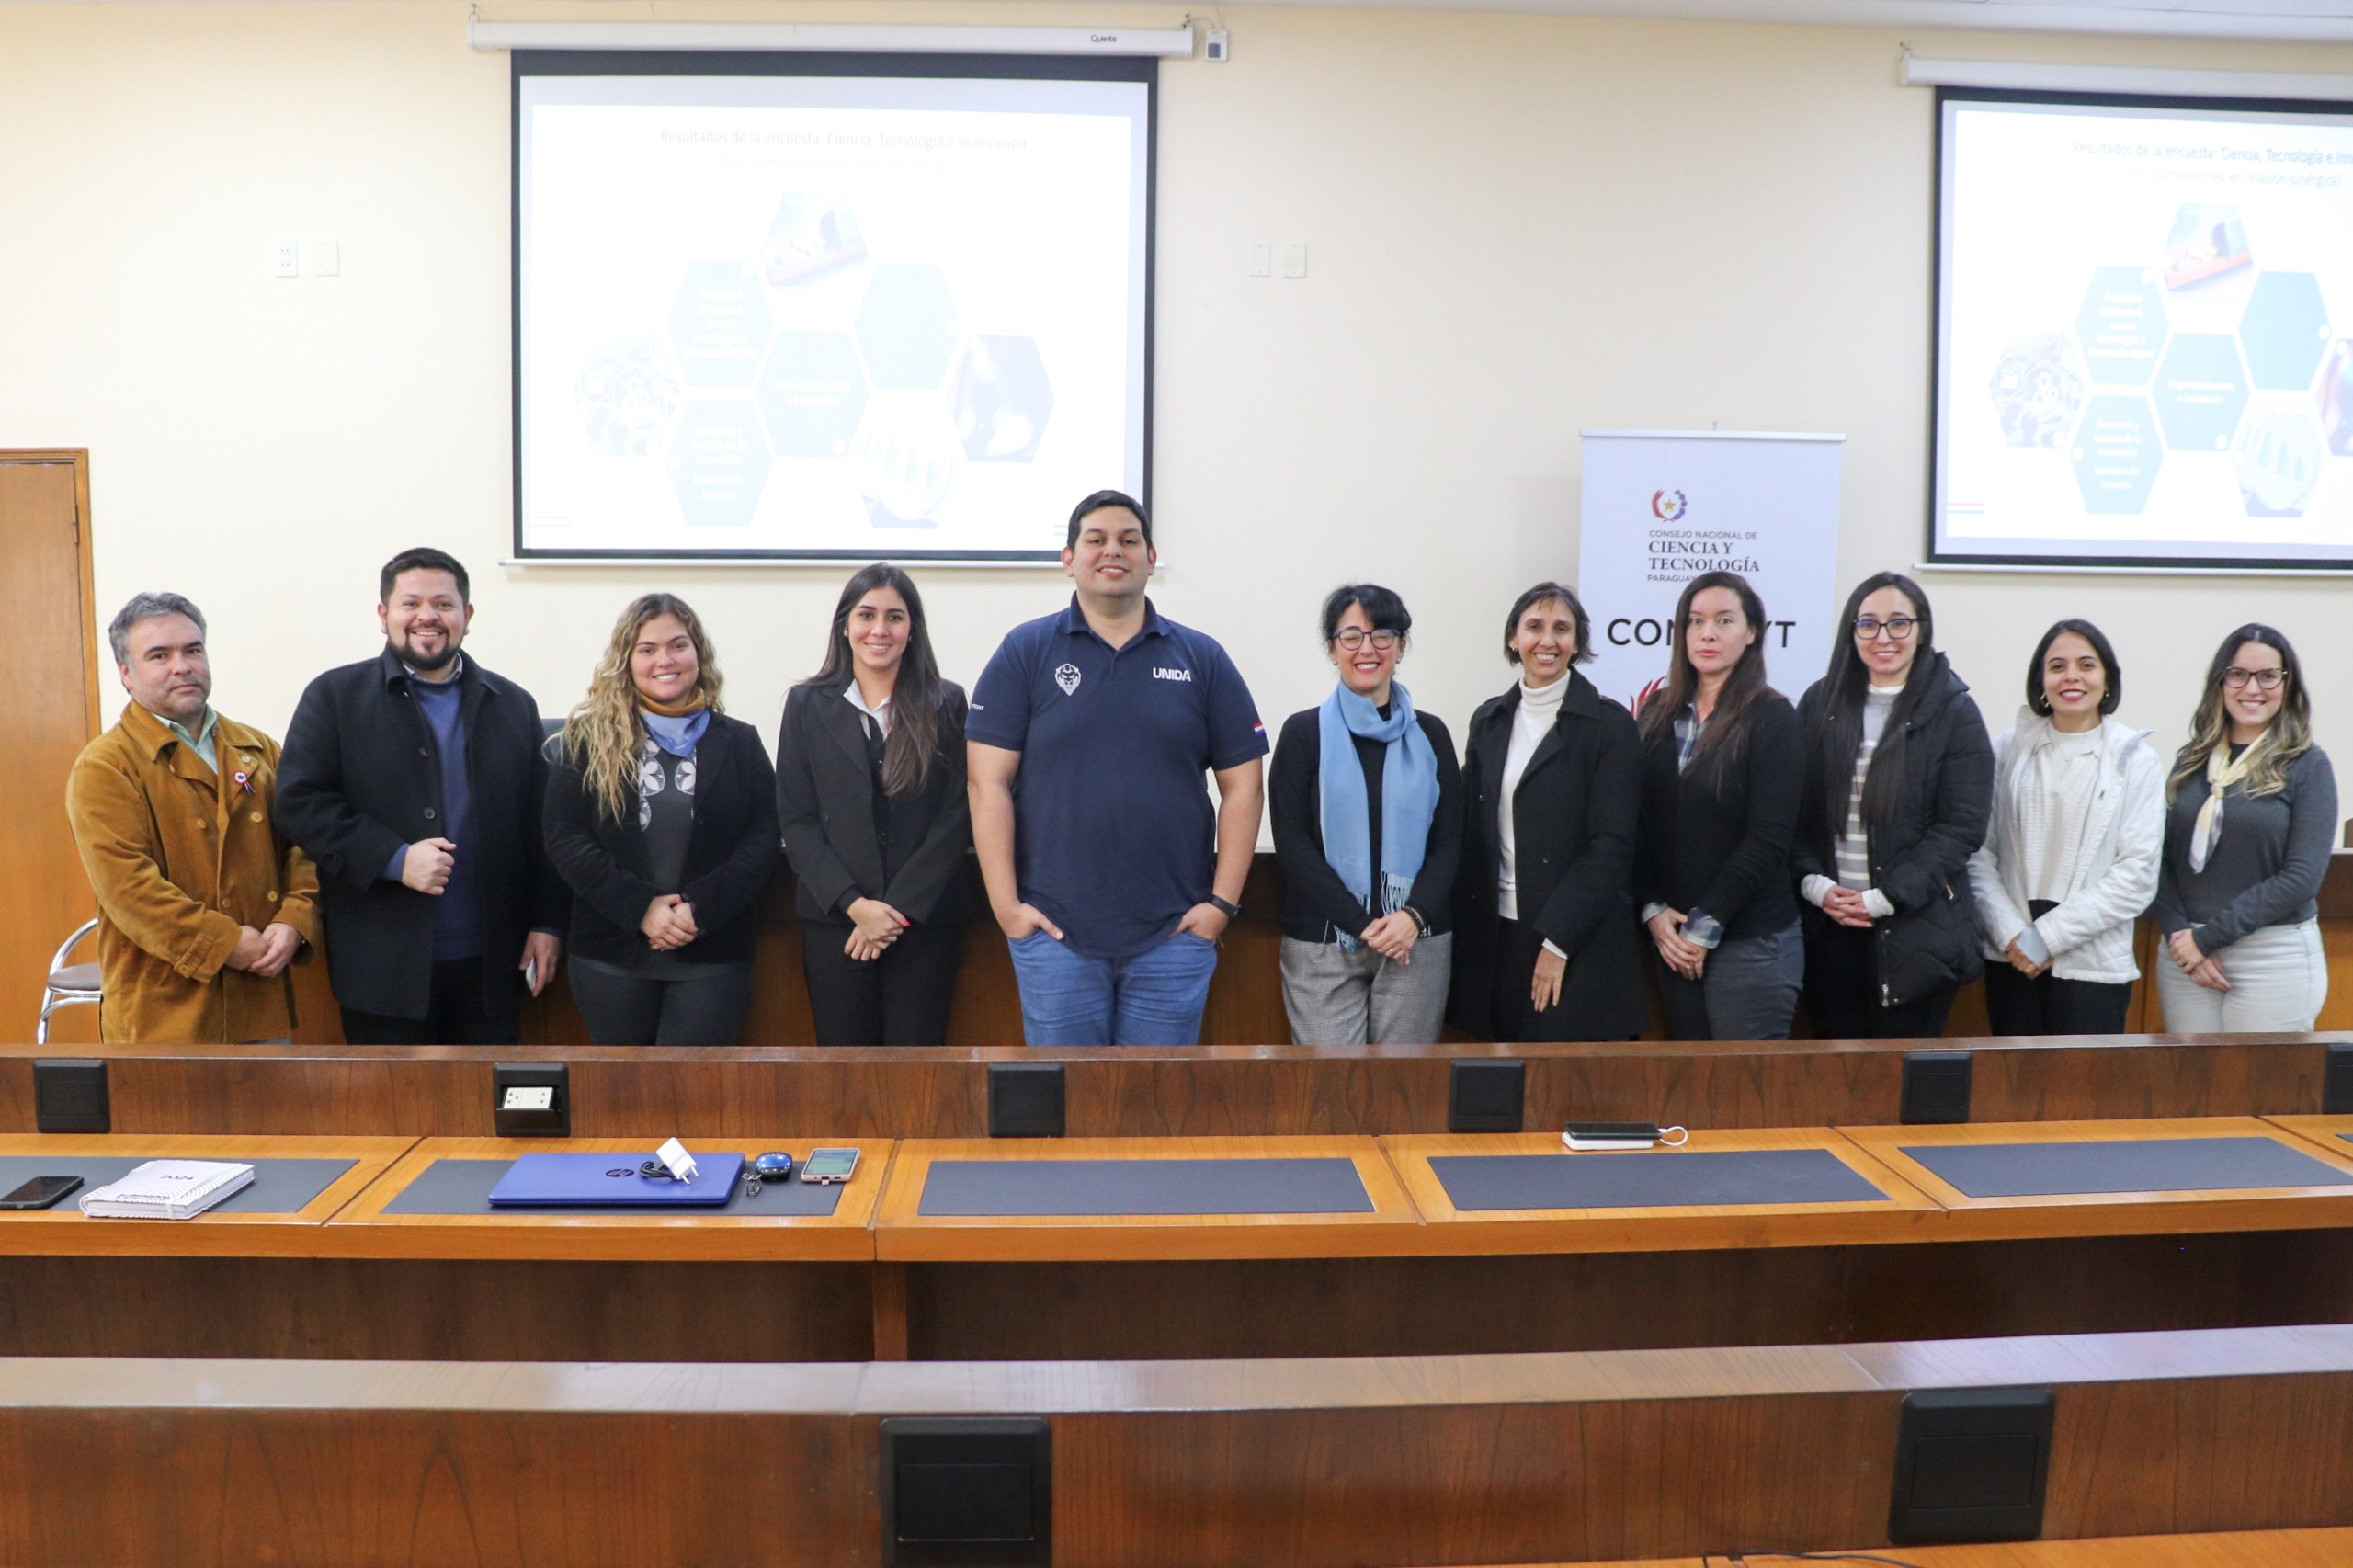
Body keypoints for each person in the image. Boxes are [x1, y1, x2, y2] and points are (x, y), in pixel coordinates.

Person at [967, 490, 1267, 1046]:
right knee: (1064, 1097)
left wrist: (1220, 906)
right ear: (1068, 559)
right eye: (1096, 540)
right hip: (1054, 938)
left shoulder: (1202, 658)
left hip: (1174, 937)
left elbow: (1245, 786)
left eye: (1129, 540)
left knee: (1156, 1098)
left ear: (1150, 558)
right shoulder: (1024, 652)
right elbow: (987, 784)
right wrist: (1007, 909)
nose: (1113, 551)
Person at [277, 547, 568, 1044]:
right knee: (393, 1098)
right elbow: (299, 803)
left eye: (444, 604)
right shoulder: (334, 697)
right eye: (410, 604)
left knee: (485, 1097)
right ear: (383, 615)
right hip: (381, 969)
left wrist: (547, 923)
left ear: (467, 616)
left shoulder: (514, 705)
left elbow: (541, 828)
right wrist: (394, 858)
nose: (427, 616)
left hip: (492, 967)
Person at [65, 593, 319, 1044]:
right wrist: (223, 943)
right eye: (159, 655)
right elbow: (129, 889)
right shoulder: (105, 766)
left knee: (264, 1097)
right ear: (125, 673)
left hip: (260, 1000)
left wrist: (295, 920)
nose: (182, 666)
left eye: (193, 650)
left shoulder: (260, 750)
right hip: (163, 1013)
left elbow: (305, 843)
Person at [542, 595, 777, 1046]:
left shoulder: (740, 742)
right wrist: (641, 909)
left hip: (711, 957)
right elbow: (564, 836)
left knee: (696, 1087)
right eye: (647, 649)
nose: (664, 661)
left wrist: (699, 910)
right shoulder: (587, 740)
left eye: (678, 646)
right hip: (611, 955)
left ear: (698, 655)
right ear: (626, 661)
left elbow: (763, 835)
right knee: (622, 1088)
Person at [776, 564, 977, 1046]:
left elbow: (957, 816)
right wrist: (856, 906)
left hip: (924, 923)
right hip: (837, 924)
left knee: (918, 1069)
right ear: (845, 626)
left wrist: (894, 912)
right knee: (844, 1069)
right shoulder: (806, 705)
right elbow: (796, 820)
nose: (880, 630)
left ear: (912, 629)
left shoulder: (947, 703)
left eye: (895, 617)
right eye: (866, 615)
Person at [1793, 572, 1993, 1040]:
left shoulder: (1954, 711)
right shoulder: (1820, 703)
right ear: (1852, 632)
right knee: (1836, 1074)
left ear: (1921, 630)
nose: (1883, 637)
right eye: (1868, 624)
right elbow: (1793, 813)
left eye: (1898, 623)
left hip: (1916, 932)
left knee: (1901, 1077)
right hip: (1828, 928)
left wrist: (1885, 898)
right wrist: (1814, 884)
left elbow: (1961, 827)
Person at [1449, 583, 1644, 1042]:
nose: (1547, 641)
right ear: (1513, 638)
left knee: (1563, 1079)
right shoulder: (1488, 720)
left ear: (1577, 642)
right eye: (1534, 627)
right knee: (1500, 1079)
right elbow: (1468, 825)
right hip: (1496, 936)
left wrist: (1558, 941)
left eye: (1561, 629)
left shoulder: (1610, 725)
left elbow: (1611, 847)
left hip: (1575, 939)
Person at [1269, 585, 1462, 1045]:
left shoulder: (1432, 735)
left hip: (1416, 939)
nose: (1367, 649)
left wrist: (1412, 917)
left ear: (1401, 646)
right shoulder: (1303, 734)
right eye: (1351, 636)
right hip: (1324, 940)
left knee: (1404, 1084)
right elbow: (1293, 845)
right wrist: (1363, 925)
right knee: (1331, 1084)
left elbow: (1451, 840)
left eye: (1382, 635)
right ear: (1332, 649)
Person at [1633, 571, 1807, 1040]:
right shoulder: (1656, 713)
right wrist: (1652, 911)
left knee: (1743, 1085)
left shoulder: (1774, 718)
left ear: (1752, 633)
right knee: (1691, 1083)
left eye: (1724, 620)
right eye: (1696, 621)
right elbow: (1637, 825)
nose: (1707, 633)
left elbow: (1767, 840)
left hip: (1750, 941)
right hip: (1671, 939)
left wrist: (1701, 928)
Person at [1967, 620, 2162, 1036]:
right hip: (2012, 954)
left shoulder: (2136, 759)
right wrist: (2013, 935)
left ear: (2107, 679)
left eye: (2086, 665)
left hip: (2092, 962)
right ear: (2041, 681)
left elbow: (2137, 875)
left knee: (2083, 1080)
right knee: (2013, 1077)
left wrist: (2047, 938)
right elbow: (1979, 853)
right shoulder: (2008, 749)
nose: (2071, 676)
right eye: (2057, 666)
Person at [2150, 624, 2336, 1033]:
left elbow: (2301, 878)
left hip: (2273, 956)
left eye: (2268, 676)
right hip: (2185, 955)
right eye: (2238, 674)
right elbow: (2157, 859)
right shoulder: (2191, 761)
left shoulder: (2308, 766)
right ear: (2220, 682)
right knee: (2191, 1075)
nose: (2252, 688)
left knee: (2262, 1078)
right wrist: (2180, 935)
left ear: (2287, 684)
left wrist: (2208, 939)